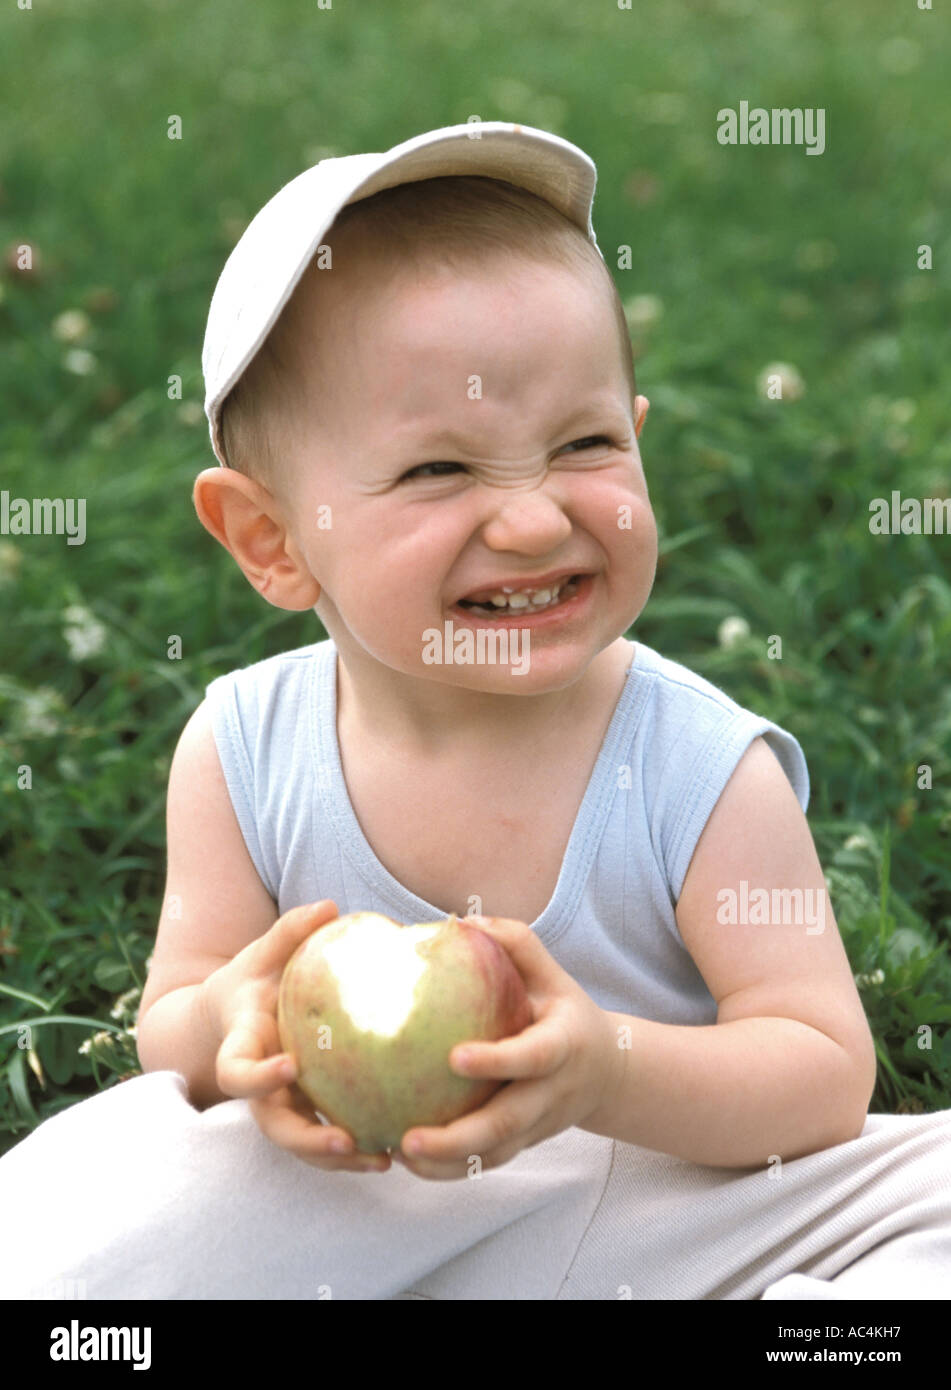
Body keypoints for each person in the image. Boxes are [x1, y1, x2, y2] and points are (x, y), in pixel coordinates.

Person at [2, 122, 949, 1301]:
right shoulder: (243, 749)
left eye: (585, 443)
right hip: (355, 1206)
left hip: (665, 1200)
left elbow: (820, 1078)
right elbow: (175, 1024)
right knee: (88, 1190)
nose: (537, 520)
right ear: (271, 539)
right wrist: (232, 1026)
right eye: (439, 469)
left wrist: (599, 1071)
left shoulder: (699, 766)